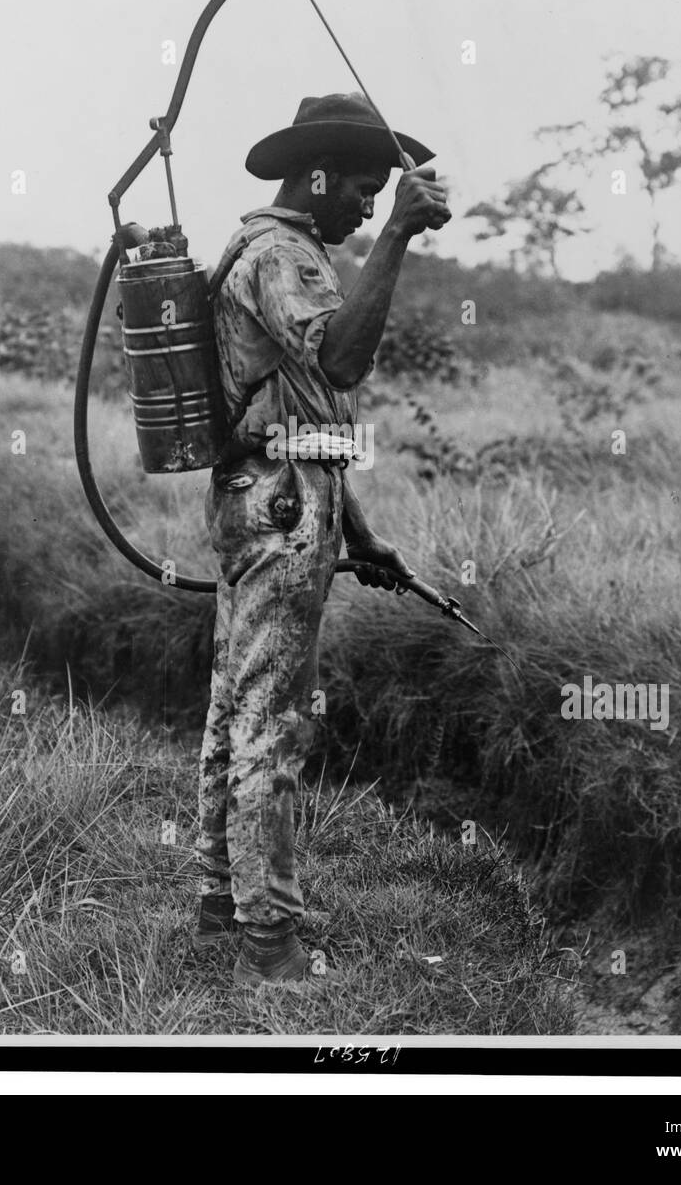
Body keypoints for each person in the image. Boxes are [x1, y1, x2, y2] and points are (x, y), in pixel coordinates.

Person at [193, 92, 451, 986]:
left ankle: (222, 907)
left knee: (237, 704)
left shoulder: (275, 250)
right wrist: (403, 238)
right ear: (313, 177)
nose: (369, 208)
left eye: (383, 198)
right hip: (279, 511)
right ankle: (273, 947)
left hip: (278, 500)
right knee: (274, 722)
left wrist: (364, 537)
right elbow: (340, 360)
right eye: (361, 190)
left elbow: (309, 410)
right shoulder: (282, 255)